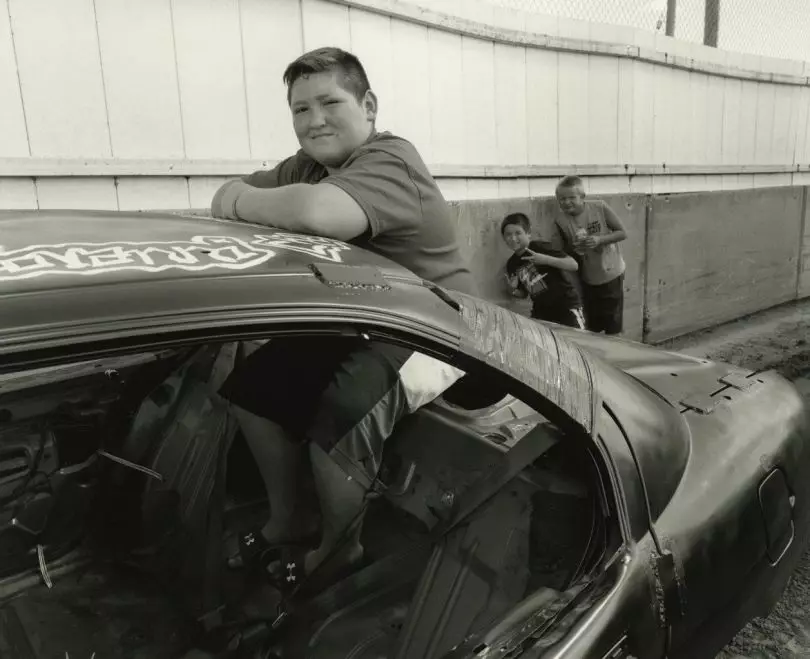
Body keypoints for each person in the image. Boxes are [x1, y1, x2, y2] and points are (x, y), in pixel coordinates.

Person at [208, 47, 476, 588]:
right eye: (300, 110)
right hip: (362, 317)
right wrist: (239, 195)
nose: (314, 120)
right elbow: (222, 196)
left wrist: (242, 197)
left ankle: (339, 551)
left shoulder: (390, 158)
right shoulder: (307, 168)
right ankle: (289, 519)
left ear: (369, 106)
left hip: (437, 322)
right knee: (250, 391)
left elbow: (313, 212)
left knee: (342, 417)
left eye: (330, 102)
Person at [554, 176, 627, 335]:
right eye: (562, 199)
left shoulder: (599, 207)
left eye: (572, 198)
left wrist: (599, 240)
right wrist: (575, 247)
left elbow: (622, 233)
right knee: (593, 324)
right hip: (588, 278)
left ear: (583, 197)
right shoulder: (561, 220)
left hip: (610, 274)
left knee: (613, 324)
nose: (566, 202)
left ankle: (617, 355)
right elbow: (568, 250)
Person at [501, 213, 585, 330]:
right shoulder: (512, 263)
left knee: (578, 341)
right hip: (541, 312)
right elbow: (524, 294)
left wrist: (545, 259)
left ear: (528, 233)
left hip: (565, 306)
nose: (513, 238)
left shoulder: (539, 247)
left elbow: (573, 264)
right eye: (508, 235)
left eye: (518, 233)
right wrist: (513, 290)